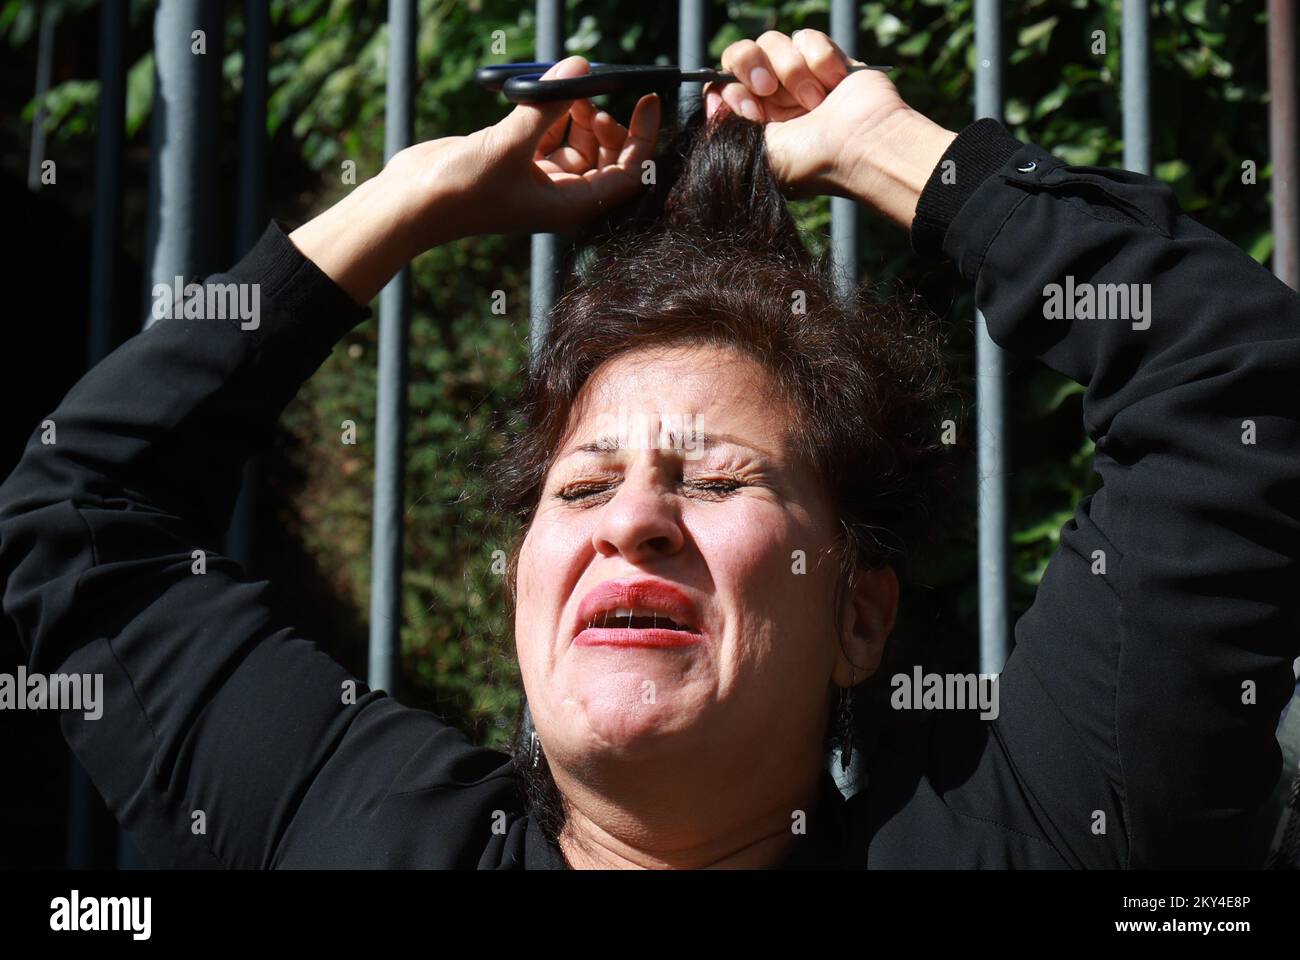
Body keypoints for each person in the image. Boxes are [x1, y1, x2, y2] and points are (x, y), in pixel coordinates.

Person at [2, 28, 1298, 869]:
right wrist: (411, 197)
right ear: (521, 585)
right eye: (581, 487)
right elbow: (75, 501)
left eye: (720, 478)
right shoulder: (358, 835)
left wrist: (891, 151)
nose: (632, 521)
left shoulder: (1033, 842)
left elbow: (1233, 381)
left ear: (859, 615)